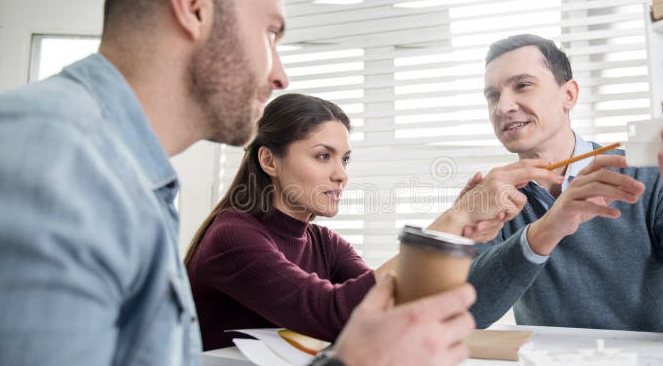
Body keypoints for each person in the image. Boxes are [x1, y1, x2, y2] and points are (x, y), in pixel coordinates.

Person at [0, 0, 482, 366]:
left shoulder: (128, 179)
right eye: (270, 32)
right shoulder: (57, 161)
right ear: (194, 7)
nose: (281, 75)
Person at [185, 92, 560, 350]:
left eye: (344, 159)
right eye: (322, 156)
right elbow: (333, 313)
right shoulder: (233, 235)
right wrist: (453, 218)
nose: (341, 175)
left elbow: (389, 308)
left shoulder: (325, 244)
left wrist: (464, 235)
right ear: (269, 161)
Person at [467, 33, 663, 343]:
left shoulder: (646, 176)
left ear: (569, 95)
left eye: (522, 85)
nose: (502, 107)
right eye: (492, 95)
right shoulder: (494, 197)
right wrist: (544, 231)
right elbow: (467, 313)